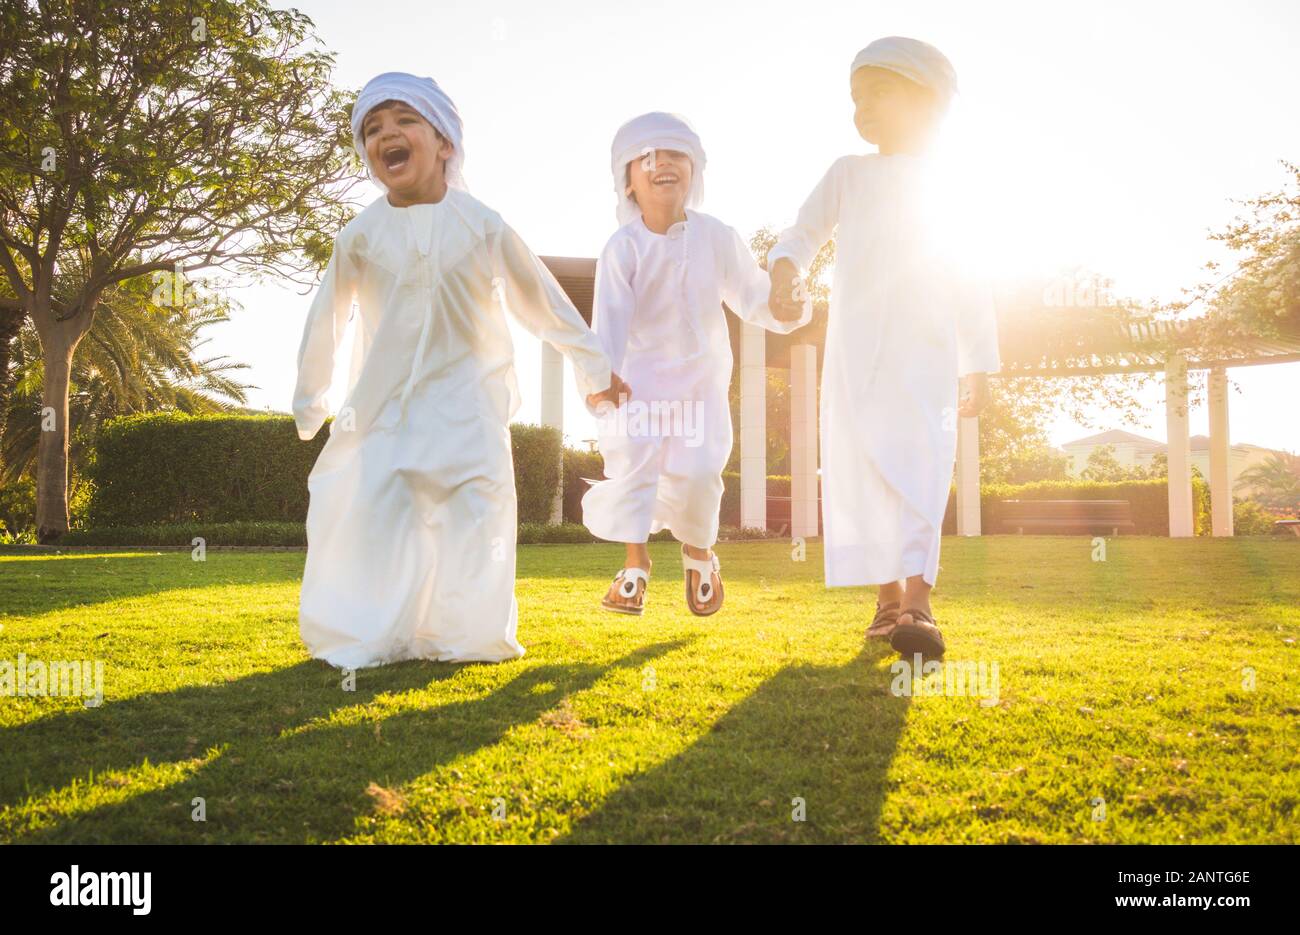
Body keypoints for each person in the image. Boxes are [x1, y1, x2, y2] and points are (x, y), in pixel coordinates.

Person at [293, 72, 627, 668]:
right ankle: (376, 635)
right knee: (384, 515)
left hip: (470, 403)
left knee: (474, 513)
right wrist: (311, 396)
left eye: (404, 121)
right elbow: (327, 317)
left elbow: (541, 301)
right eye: (372, 128)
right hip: (385, 410)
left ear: (444, 142)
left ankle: (465, 635)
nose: (386, 135)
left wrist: (593, 366)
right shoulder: (360, 237)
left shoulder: (483, 224)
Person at [767, 38, 1000, 657]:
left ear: (925, 99)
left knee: (923, 468)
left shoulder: (953, 186)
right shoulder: (848, 173)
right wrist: (787, 268)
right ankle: (887, 602)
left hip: (925, 360)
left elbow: (972, 281)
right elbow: (803, 230)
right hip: (854, 357)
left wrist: (978, 360)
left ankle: (919, 607)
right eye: (855, 98)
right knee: (862, 470)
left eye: (877, 92)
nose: (861, 108)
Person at [583, 112, 809, 617]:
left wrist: (783, 305)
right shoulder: (621, 249)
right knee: (633, 468)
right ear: (628, 180)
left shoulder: (717, 237)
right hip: (636, 385)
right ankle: (634, 569)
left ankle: (699, 553)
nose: (661, 164)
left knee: (700, 470)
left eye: (675, 154)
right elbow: (610, 324)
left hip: (701, 384)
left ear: (694, 170)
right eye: (647, 157)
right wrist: (601, 380)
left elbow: (753, 295)